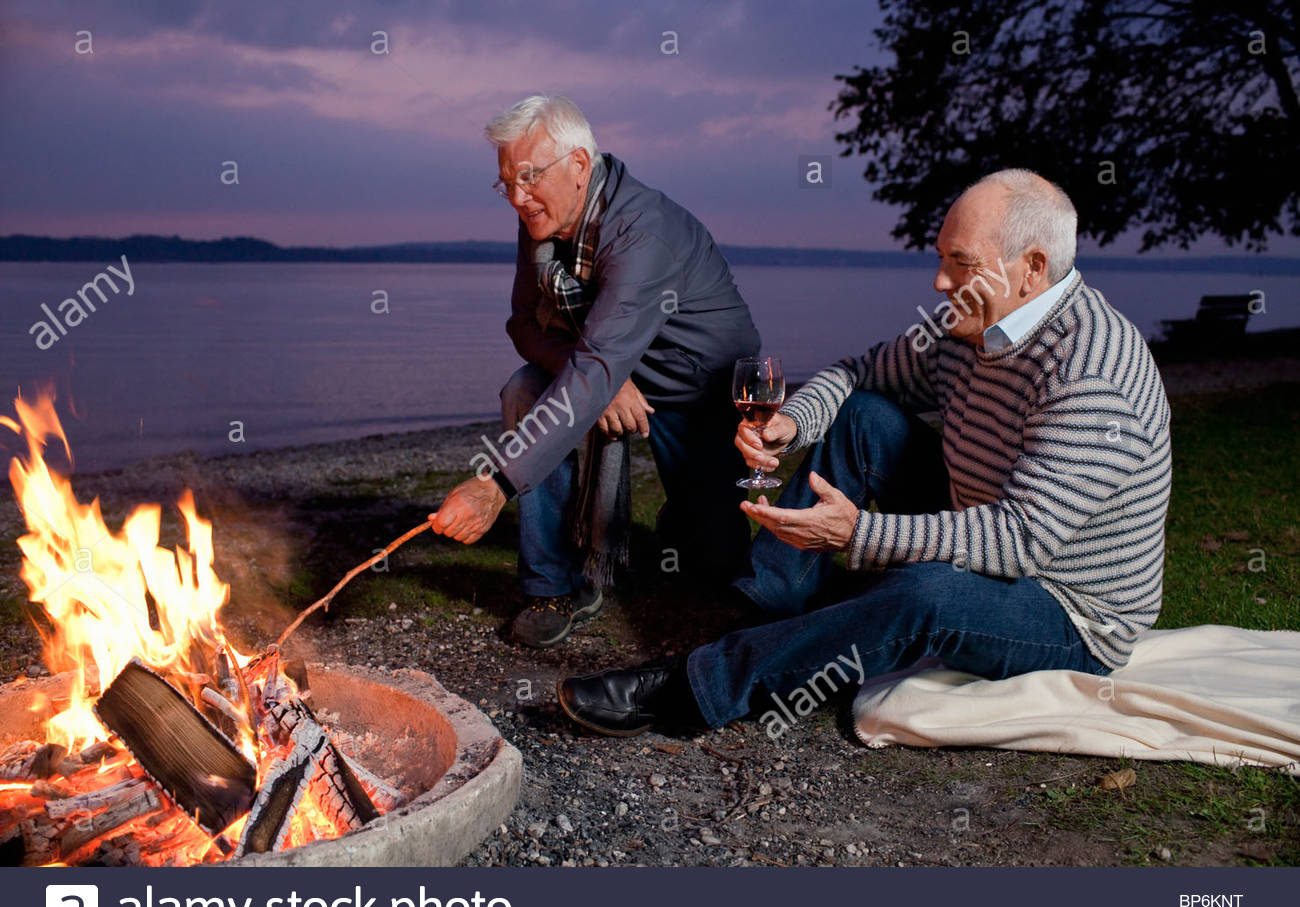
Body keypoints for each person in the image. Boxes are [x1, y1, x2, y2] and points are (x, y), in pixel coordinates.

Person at [558, 168, 1172, 737]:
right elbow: (859, 372)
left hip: (1067, 605)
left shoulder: (1093, 374)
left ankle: (696, 688)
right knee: (864, 418)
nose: (939, 282)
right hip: (983, 519)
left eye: (960, 263)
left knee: (928, 594)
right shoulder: (970, 325)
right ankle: (767, 605)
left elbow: (1018, 543)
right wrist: (791, 424)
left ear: (1030, 268)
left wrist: (858, 534)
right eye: (940, 259)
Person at [430, 95, 760, 647]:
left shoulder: (641, 231)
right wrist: (599, 378)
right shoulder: (543, 217)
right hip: (607, 360)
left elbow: (598, 364)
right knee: (524, 390)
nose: (516, 197)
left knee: (716, 565)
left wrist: (492, 488)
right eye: (506, 183)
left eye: (529, 178)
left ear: (579, 166)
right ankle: (551, 586)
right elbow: (522, 326)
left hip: (696, 380)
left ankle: (680, 541)